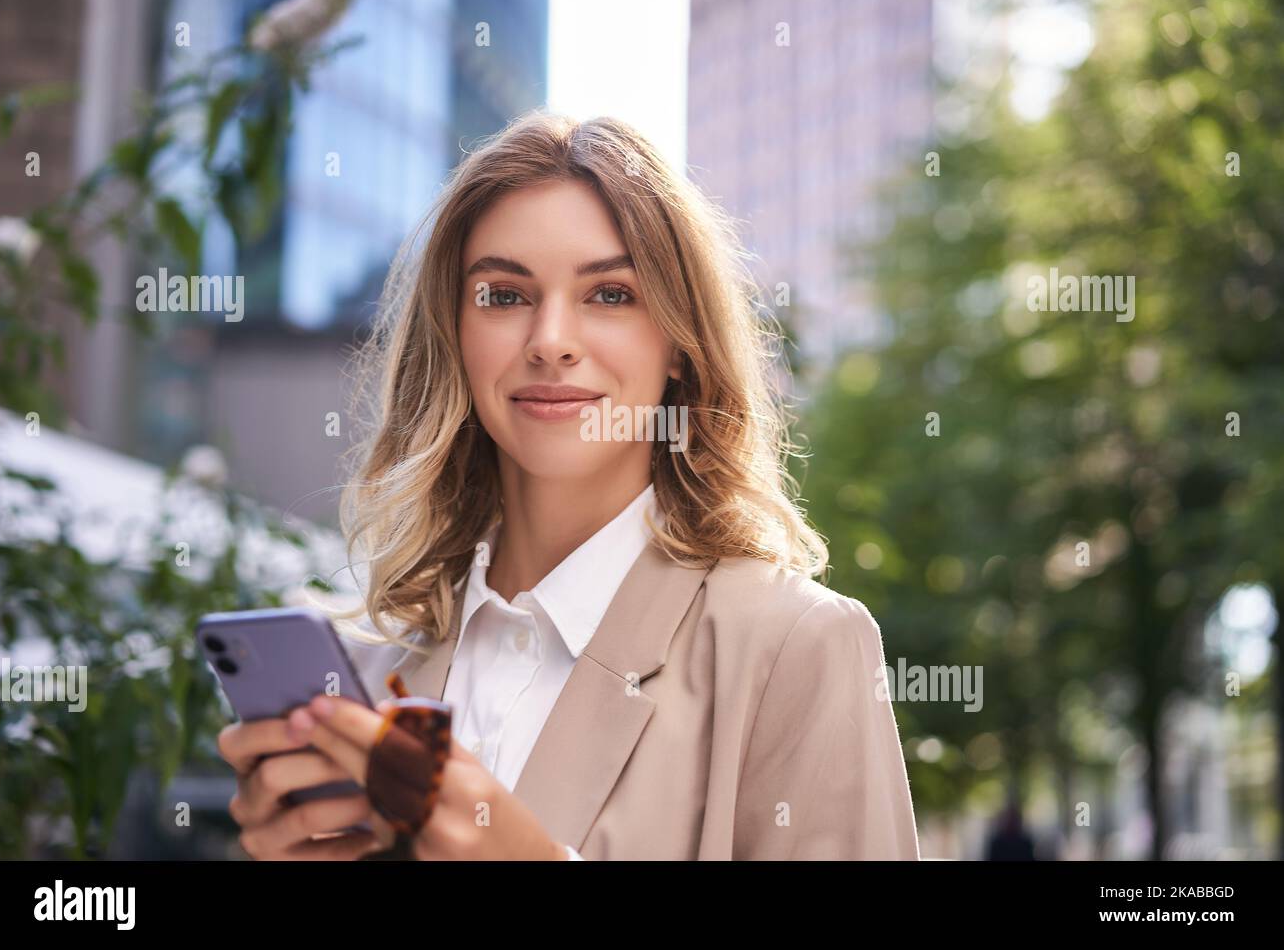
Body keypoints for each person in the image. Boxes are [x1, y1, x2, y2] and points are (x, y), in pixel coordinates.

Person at [218, 111, 920, 860]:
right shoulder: (369, 663)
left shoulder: (798, 648)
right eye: (504, 295)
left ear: (680, 343)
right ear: (454, 332)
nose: (550, 339)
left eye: (610, 294)